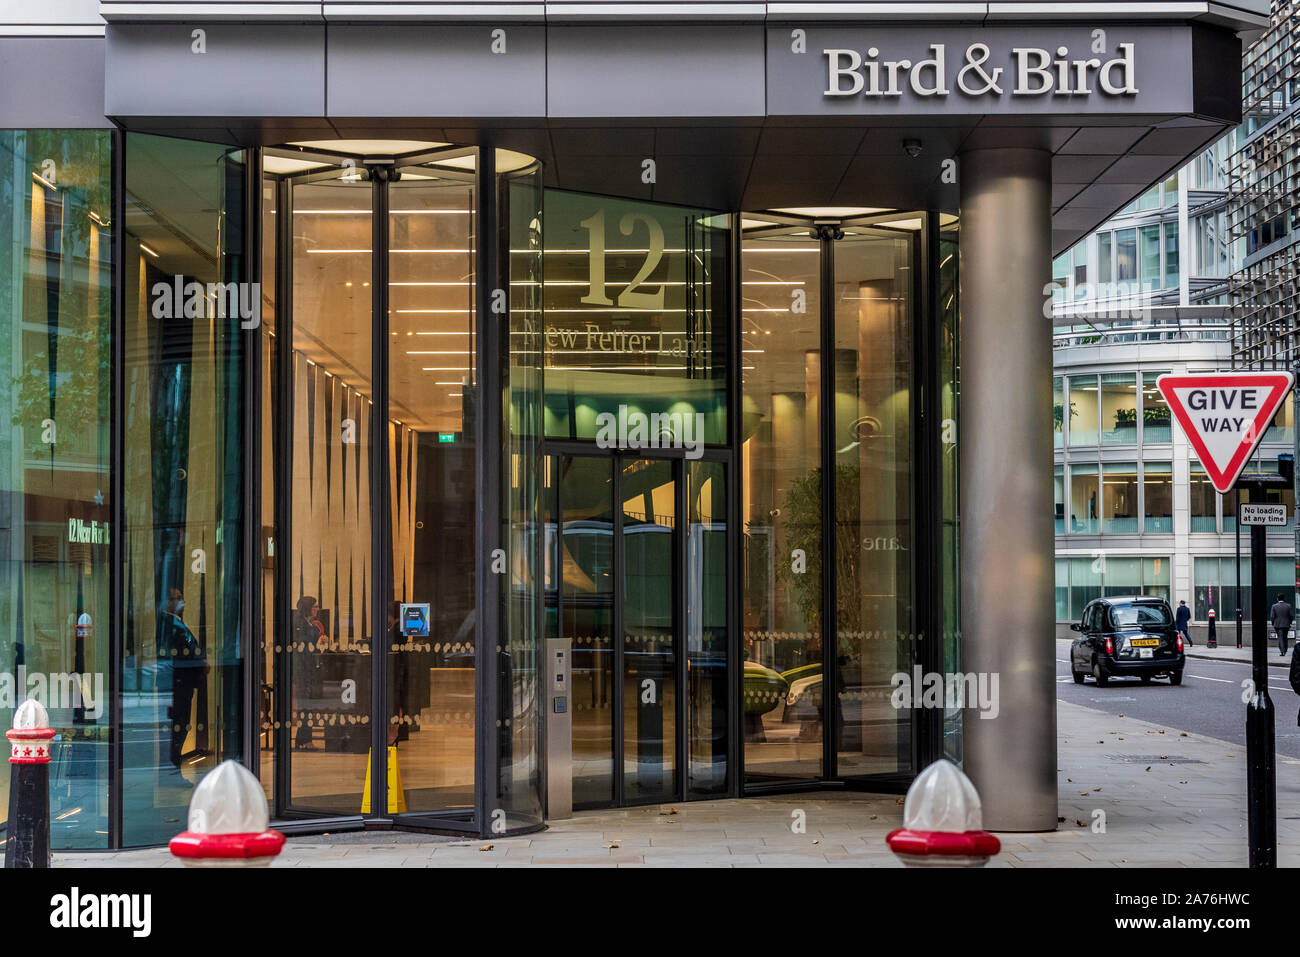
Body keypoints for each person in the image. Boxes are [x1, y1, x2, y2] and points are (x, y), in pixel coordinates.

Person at [160, 588, 204, 769]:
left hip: (183, 684)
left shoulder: (176, 623)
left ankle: (174, 763)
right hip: (177, 684)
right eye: (176, 598)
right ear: (167, 601)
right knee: (178, 724)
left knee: (182, 723)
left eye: (181, 597)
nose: (181, 602)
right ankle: (173, 763)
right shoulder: (169, 624)